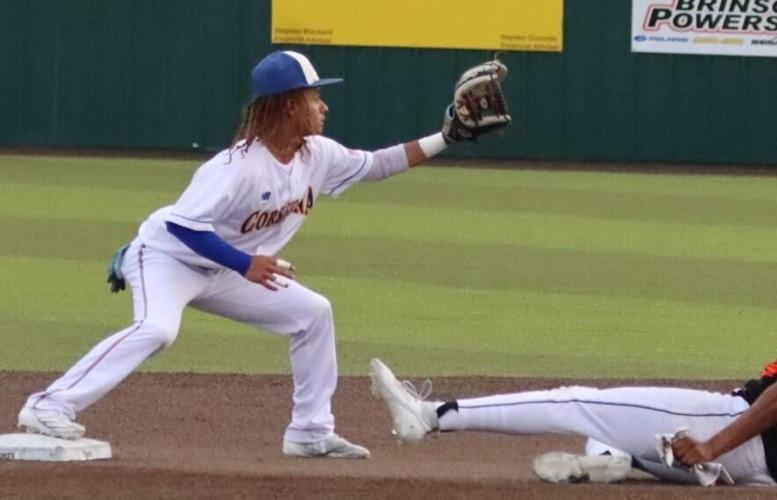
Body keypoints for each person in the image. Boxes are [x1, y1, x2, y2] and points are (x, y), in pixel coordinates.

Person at [17, 50, 504, 458]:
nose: (323, 106)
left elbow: (378, 164)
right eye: (315, 97)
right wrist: (245, 264)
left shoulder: (318, 154)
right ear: (290, 106)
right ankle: (49, 405)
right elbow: (182, 225)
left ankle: (310, 433)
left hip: (231, 267)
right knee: (158, 329)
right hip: (170, 257)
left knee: (314, 314)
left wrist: (447, 137)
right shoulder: (236, 168)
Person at [369, 224, 777, 486]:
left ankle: (431, 417)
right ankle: (624, 465)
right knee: (654, 444)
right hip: (773, 470)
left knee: (583, 401)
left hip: (740, 432)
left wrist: (714, 443)